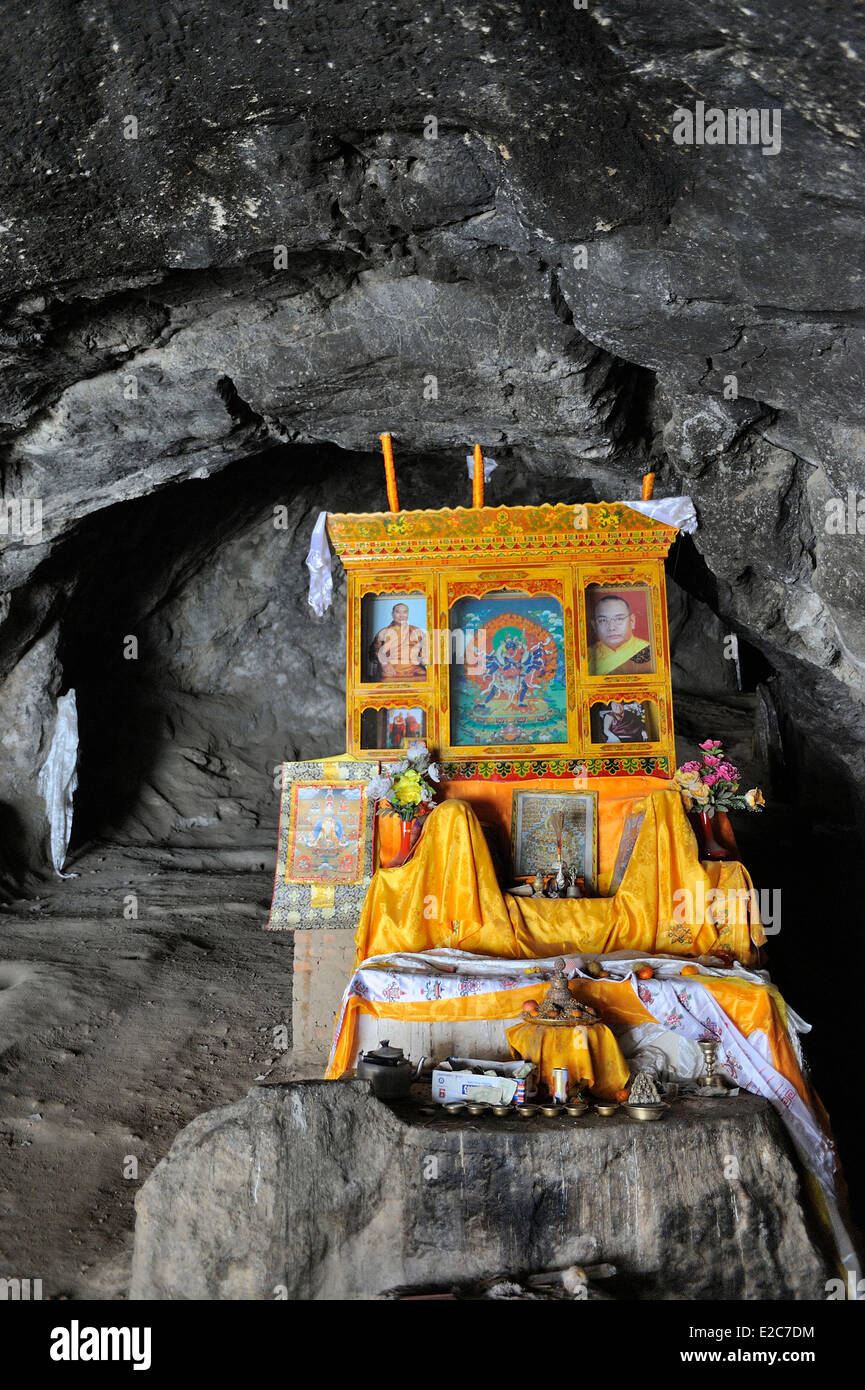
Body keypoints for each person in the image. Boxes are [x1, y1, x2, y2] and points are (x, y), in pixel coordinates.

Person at [587, 595, 652, 675]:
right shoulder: (585, 657)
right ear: (594, 626)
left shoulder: (649, 651)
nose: (611, 628)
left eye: (619, 619)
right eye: (603, 620)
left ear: (632, 621)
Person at [369, 602, 427, 680]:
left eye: (405, 612)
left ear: (408, 614)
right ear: (392, 614)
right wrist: (384, 664)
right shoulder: (384, 632)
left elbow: (425, 647)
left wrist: (424, 657)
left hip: (414, 668)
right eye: (397, 612)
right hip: (392, 667)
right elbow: (375, 650)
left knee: (425, 677)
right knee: (386, 678)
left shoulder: (415, 630)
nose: (401, 615)